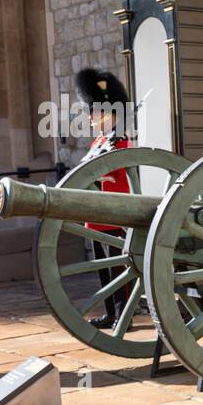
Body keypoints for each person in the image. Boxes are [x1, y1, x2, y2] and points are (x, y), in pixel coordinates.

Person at [75, 68, 133, 329]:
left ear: (109, 112)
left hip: (114, 209)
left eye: (95, 111)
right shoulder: (99, 141)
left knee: (117, 267)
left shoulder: (120, 141)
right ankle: (110, 312)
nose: (90, 116)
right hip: (96, 212)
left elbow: (118, 170)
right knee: (102, 266)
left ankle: (124, 314)